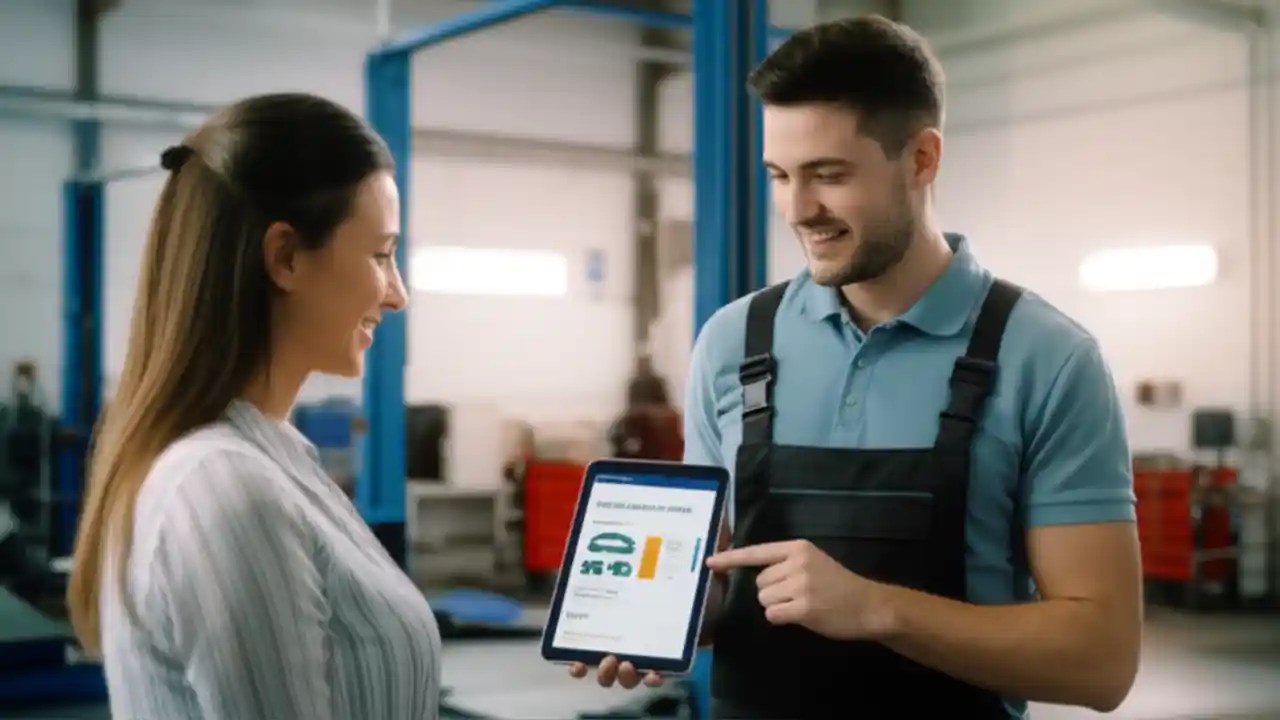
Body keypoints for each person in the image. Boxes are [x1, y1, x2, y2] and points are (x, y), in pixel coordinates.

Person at [571, 15, 1141, 719]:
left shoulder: (1048, 358)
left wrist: (876, 608)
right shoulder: (731, 342)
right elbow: (716, 577)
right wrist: (658, 623)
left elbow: (1102, 661)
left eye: (829, 175)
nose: (798, 209)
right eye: (779, 176)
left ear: (923, 159)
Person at [66, 93, 443, 720]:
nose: (397, 294)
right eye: (380, 255)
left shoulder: (272, 457)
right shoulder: (225, 488)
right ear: (286, 257)